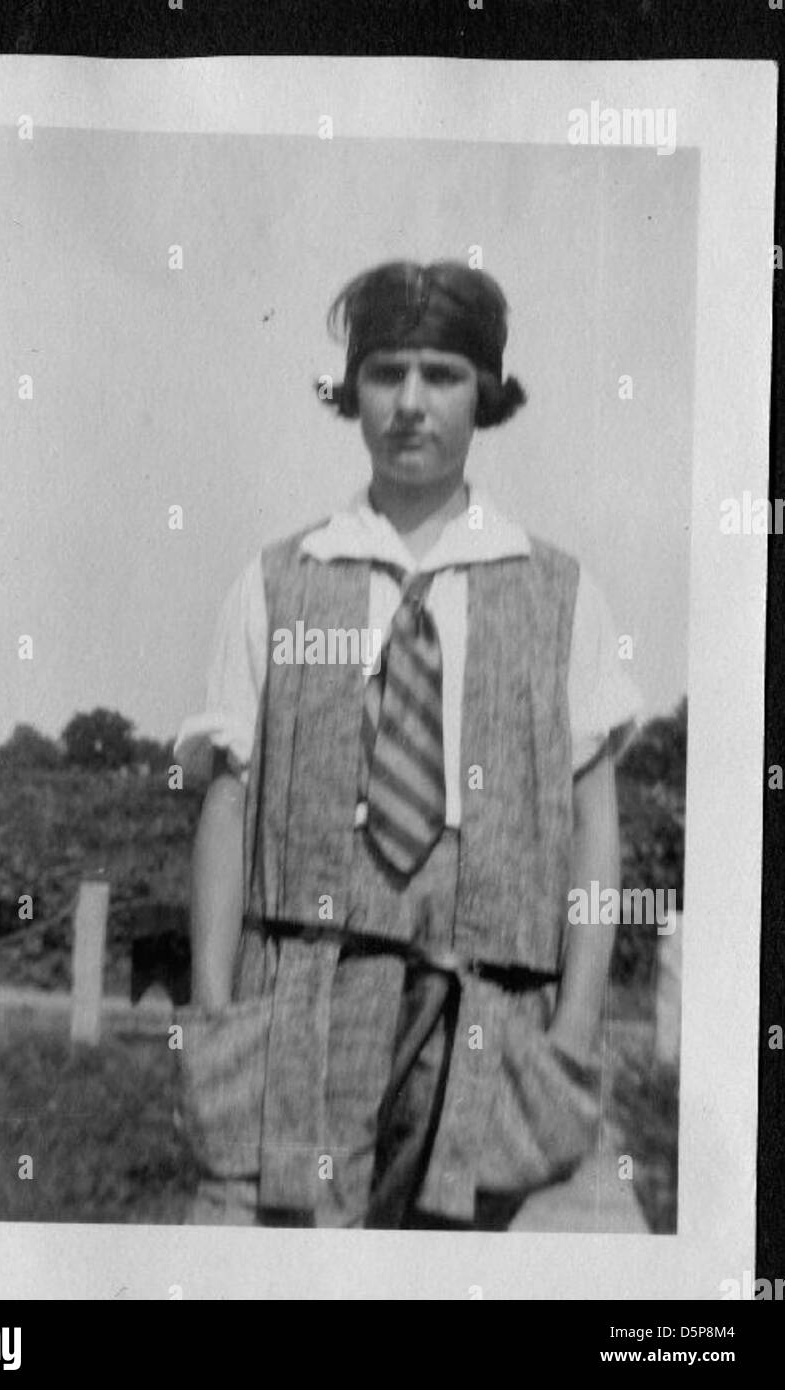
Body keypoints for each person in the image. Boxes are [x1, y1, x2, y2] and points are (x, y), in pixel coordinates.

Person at [173, 259, 641, 1229]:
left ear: (487, 395)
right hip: (300, 1018)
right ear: (352, 391)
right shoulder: (279, 580)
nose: (412, 405)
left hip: (499, 1026)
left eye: (444, 374)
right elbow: (226, 800)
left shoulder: (559, 590)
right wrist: (217, 1012)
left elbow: (595, 816)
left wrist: (578, 1024)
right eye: (387, 373)